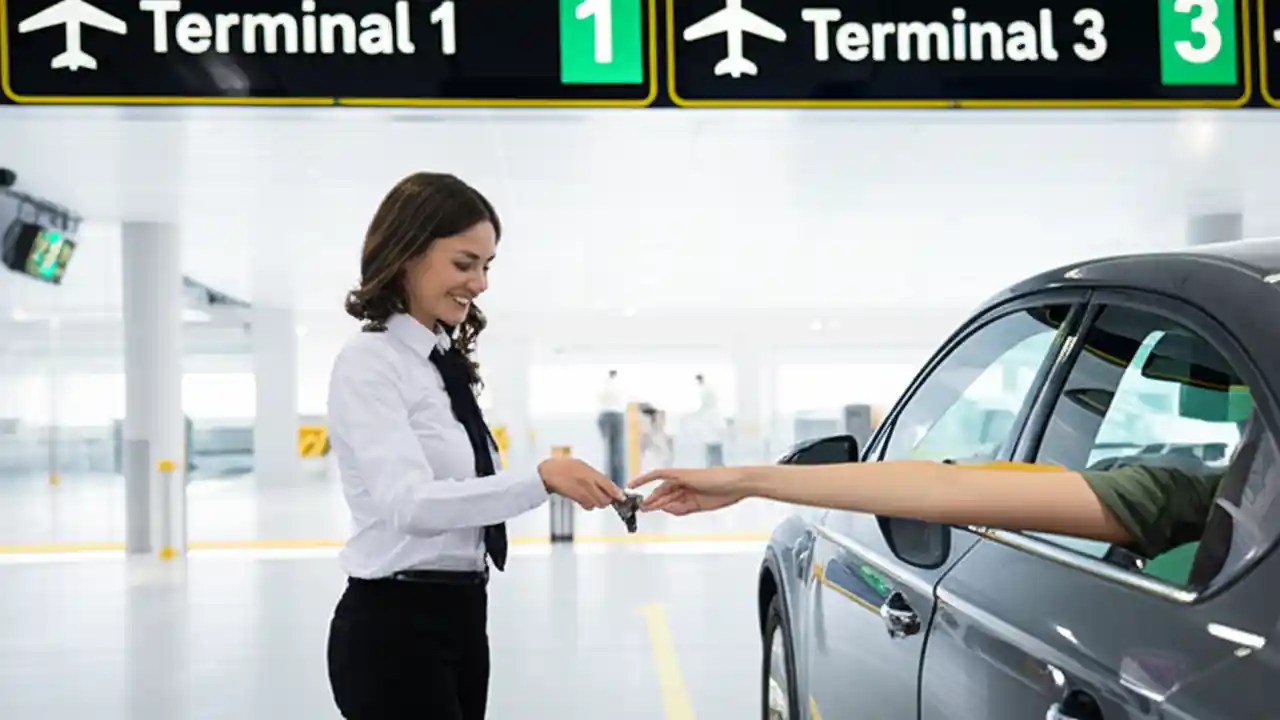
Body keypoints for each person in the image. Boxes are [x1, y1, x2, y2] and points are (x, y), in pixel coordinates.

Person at [325, 171, 624, 720]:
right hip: (395, 627)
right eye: (465, 264)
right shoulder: (370, 364)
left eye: (486, 267)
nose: (481, 283)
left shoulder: (442, 365)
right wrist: (539, 480)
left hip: (462, 613)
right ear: (407, 253)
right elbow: (410, 503)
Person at [629, 412, 1272, 572]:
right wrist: (745, 480)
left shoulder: (1191, 495)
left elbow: (948, 488)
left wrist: (748, 480)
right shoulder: (1205, 496)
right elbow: (948, 484)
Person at [596, 369, 626, 487]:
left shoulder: (604, 385)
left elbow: (600, 398)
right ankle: (619, 484)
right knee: (618, 452)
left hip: (604, 415)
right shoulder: (620, 385)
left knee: (608, 452)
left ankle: (609, 483)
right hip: (617, 415)